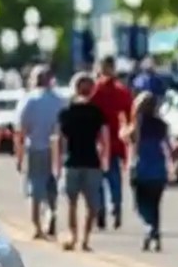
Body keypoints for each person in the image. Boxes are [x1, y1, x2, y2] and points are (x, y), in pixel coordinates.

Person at [57, 73, 110, 252]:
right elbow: (105, 139)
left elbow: (59, 139)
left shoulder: (66, 113)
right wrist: (105, 159)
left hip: (71, 162)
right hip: (91, 162)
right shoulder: (97, 112)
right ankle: (85, 239)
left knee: (71, 203)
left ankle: (73, 236)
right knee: (92, 204)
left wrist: (57, 163)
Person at [15, 65, 66, 239]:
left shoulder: (29, 100)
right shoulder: (59, 100)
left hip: (35, 147)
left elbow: (21, 129)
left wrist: (19, 155)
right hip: (56, 148)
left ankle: (37, 225)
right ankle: (51, 212)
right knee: (53, 184)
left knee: (35, 185)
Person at [125, 91, 173, 252]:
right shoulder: (162, 124)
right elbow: (168, 147)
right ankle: (154, 235)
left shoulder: (137, 124)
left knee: (140, 205)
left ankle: (149, 228)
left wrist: (131, 165)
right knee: (155, 205)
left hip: (142, 166)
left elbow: (133, 144)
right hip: (158, 167)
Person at [90, 56, 134, 229]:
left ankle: (101, 210)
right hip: (115, 141)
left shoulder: (95, 90)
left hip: (98, 142)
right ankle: (115, 207)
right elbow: (130, 113)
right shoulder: (121, 90)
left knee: (99, 180)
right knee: (114, 179)